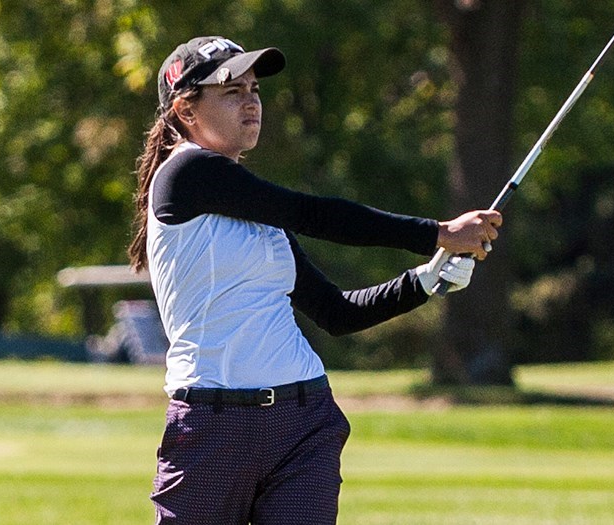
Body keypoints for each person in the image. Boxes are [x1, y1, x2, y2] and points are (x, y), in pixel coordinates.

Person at [127, 36, 502, 524]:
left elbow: (336, 312)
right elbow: (313, 213)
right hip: (213, 424)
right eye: (231, 91)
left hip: (302, 420)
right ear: (186, 110)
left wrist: (427, 280)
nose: (251, 102)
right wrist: (438, 233)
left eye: (254, 89)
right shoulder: (188, 174)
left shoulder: (258, 213)